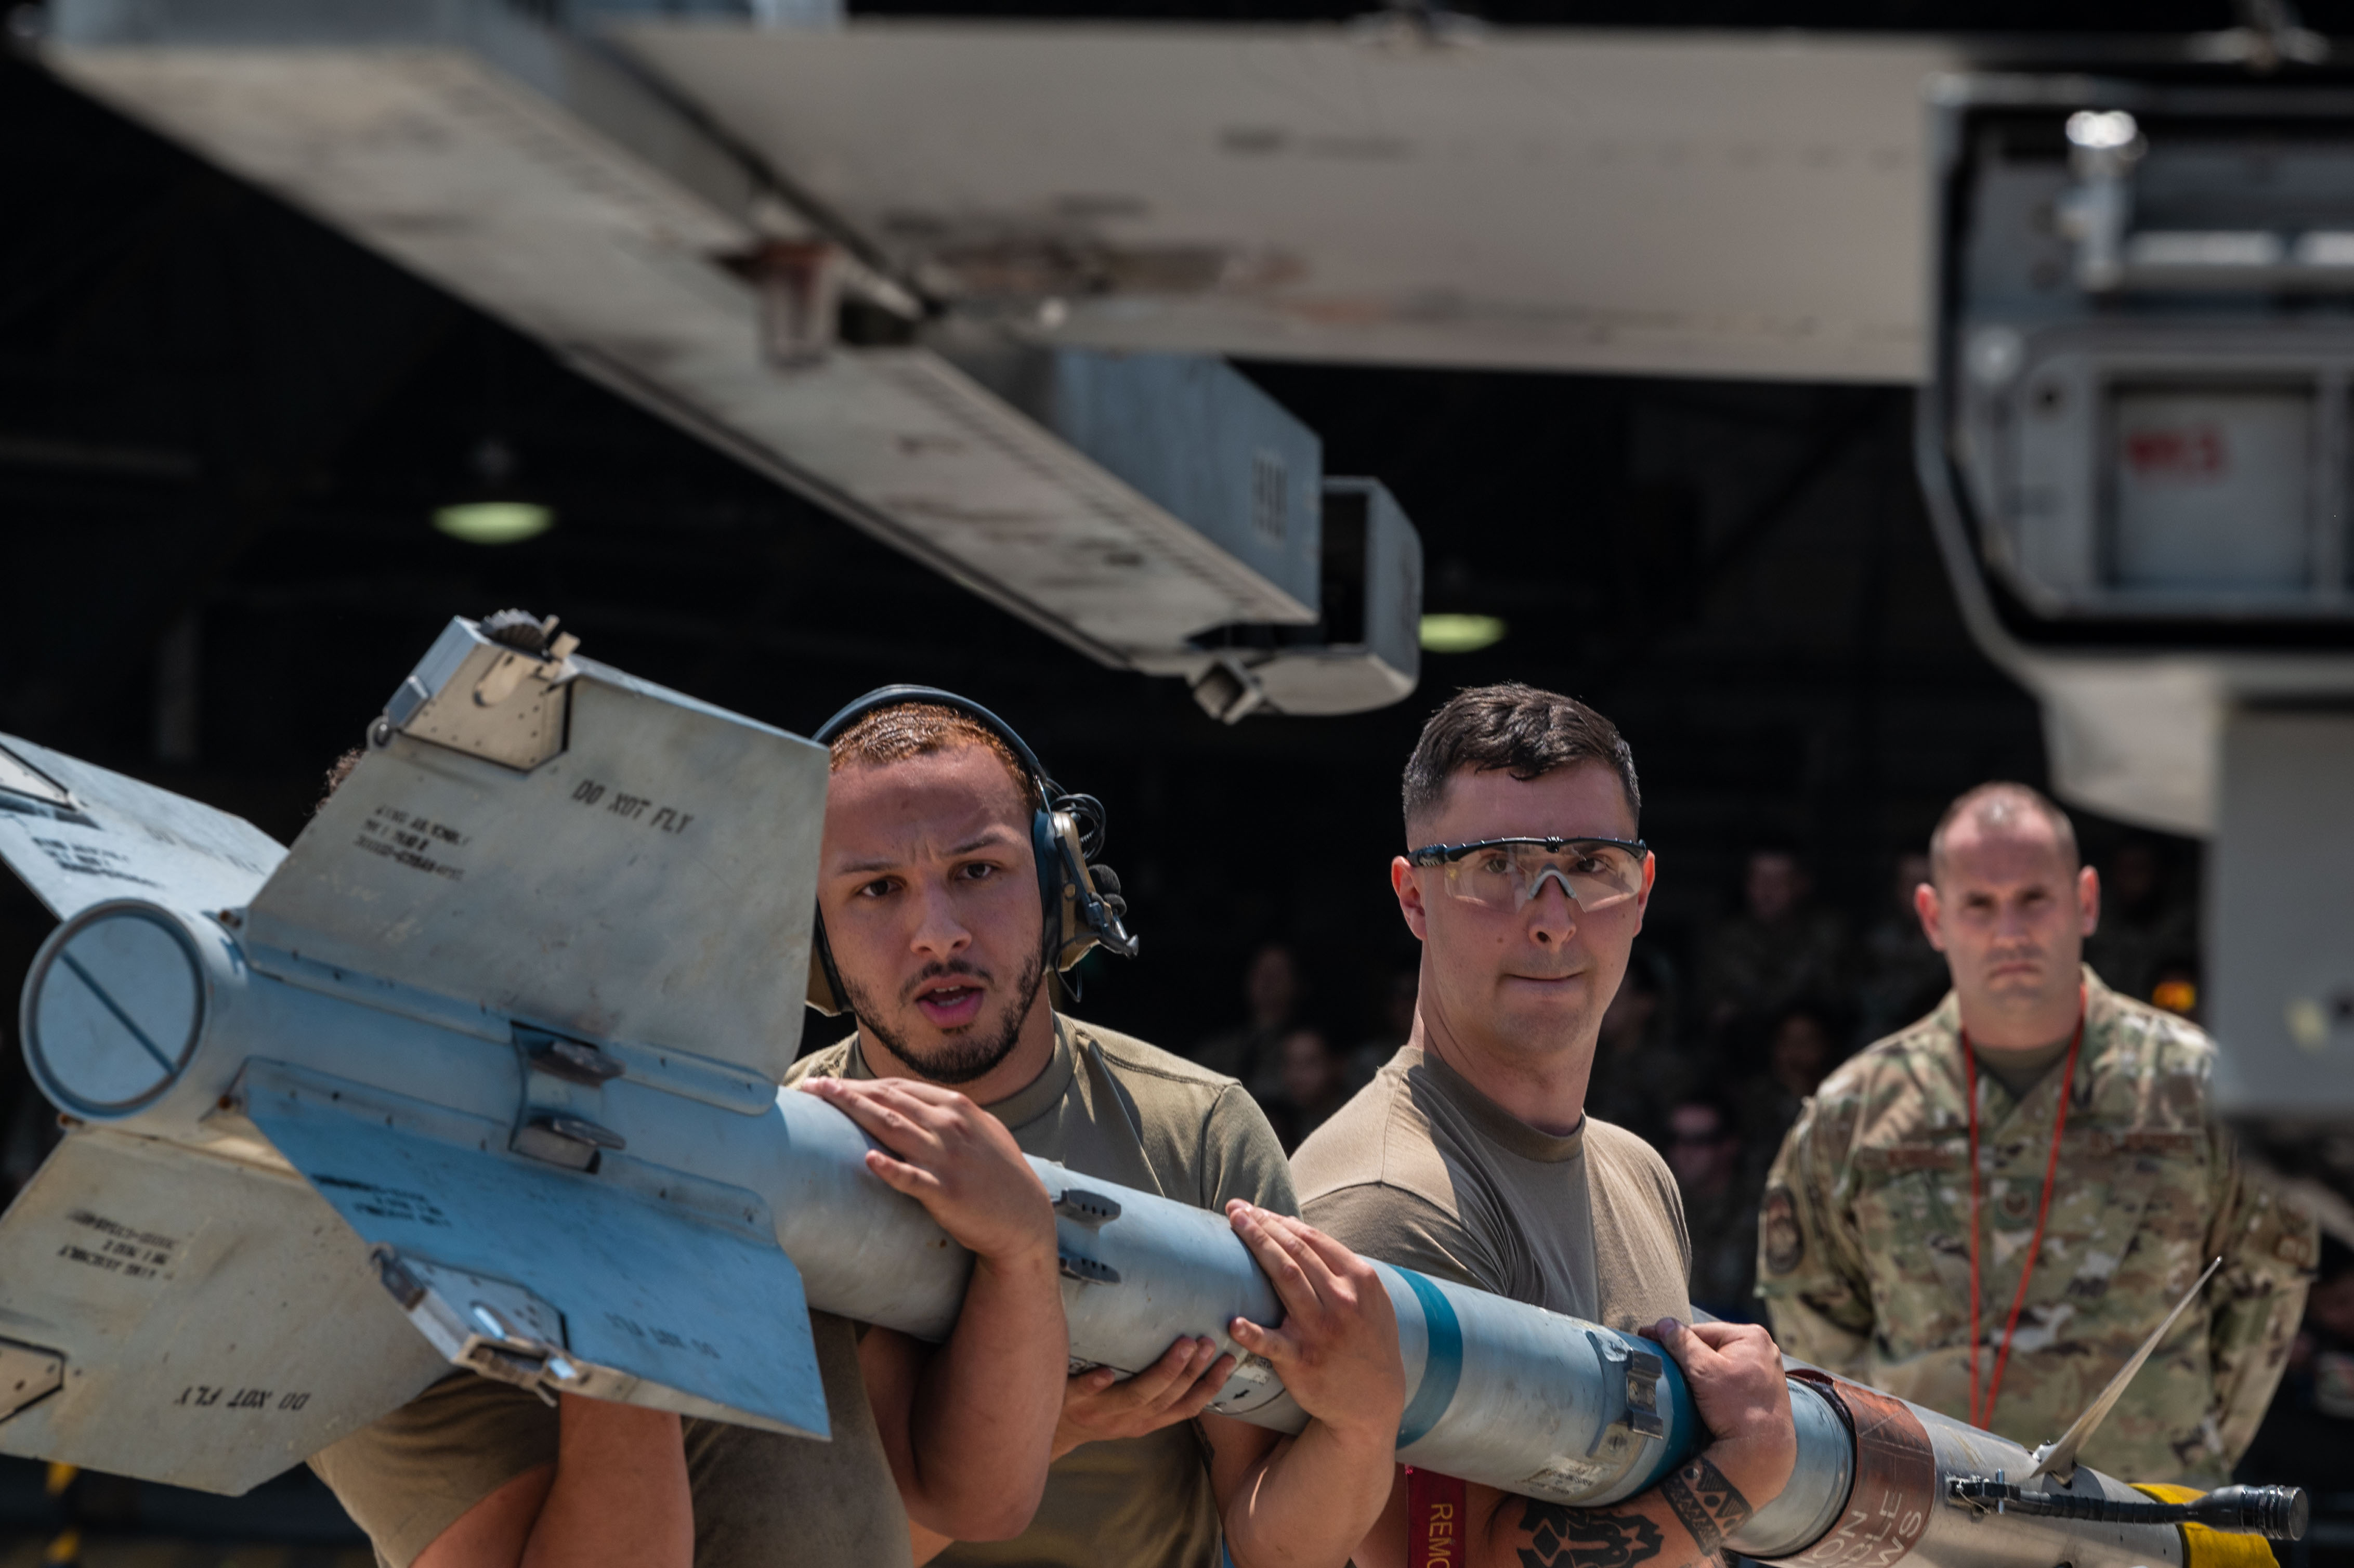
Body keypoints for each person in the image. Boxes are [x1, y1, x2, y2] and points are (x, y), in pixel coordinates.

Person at [309, 774, 1072, 1568]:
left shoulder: (754, 1155)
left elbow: (962, 1501)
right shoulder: (362, 1290)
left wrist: (1023, 1257)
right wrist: (612, 1284)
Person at [784, 691, 1402, 1568]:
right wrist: (1039, 1431)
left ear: (1056, 883)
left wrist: (1363, 1425)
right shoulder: (767, 1151)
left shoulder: (1195, 1135)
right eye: (877, 889)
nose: (938, 935)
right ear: (813, 929)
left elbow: (1275, 1546)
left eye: (977, 871)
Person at [1293, 682, 1796, 1568]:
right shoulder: (1391, 1202)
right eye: (1496, 865)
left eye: (1592, 865)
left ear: (1640, 893)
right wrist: (1737, 1475)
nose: (1553, 919)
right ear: (1414, 898)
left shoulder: (1635, 1171)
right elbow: (1444, 1560)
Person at [1759, 781, 2317, 1486]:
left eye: (2034, 898)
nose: (2010, 932)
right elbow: (1816, 1327)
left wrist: (2172, 1456)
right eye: (1979, 904)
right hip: (1932, 1518)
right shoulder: (1854, 1112)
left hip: (2141, 1513)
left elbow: (2263, 1293)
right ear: (1932, 916)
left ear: (2086, 901)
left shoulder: (2202, 1094)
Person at [1696, 847, 1848, 1039]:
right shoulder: (1726, 939)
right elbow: (1712, 1009)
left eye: (1778, 882)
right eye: (1758, 880)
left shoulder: (1828, 936)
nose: (1766, 892)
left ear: (1802, 885)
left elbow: (1836, 1003)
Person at [1583, 944, 1696, 1148]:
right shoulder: (1586, 1060)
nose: (1602, 1004)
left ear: (1645, 1003)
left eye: (1615, 995)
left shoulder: (1668, 1070)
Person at [1665, 1092, 1759, 1323]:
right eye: (1675, 1139)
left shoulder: (1759, 1217)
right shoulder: (1661, 1205)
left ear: (1729, 1146)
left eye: (1699, 1141)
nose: (1684, 1152)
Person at [1853, 852, 1949, 1047]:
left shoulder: (1962, 943)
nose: (1917, 895)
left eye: (1928, 883)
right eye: (1909, 884)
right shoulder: (1878, 945)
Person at [1191, 942, 1303, 1106]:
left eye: (1278, 974)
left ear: (1298, 983)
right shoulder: (1218, 1049)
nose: (1267, 981)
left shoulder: (1304, 1050)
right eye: (1260, 971)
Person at [1268, 1027, 1351, 1153]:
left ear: (1337, 1065)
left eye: (1310, 1063)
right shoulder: (1281, 1122)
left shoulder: (1358, 1118)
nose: (1297, 1075)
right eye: (1290, 1064)